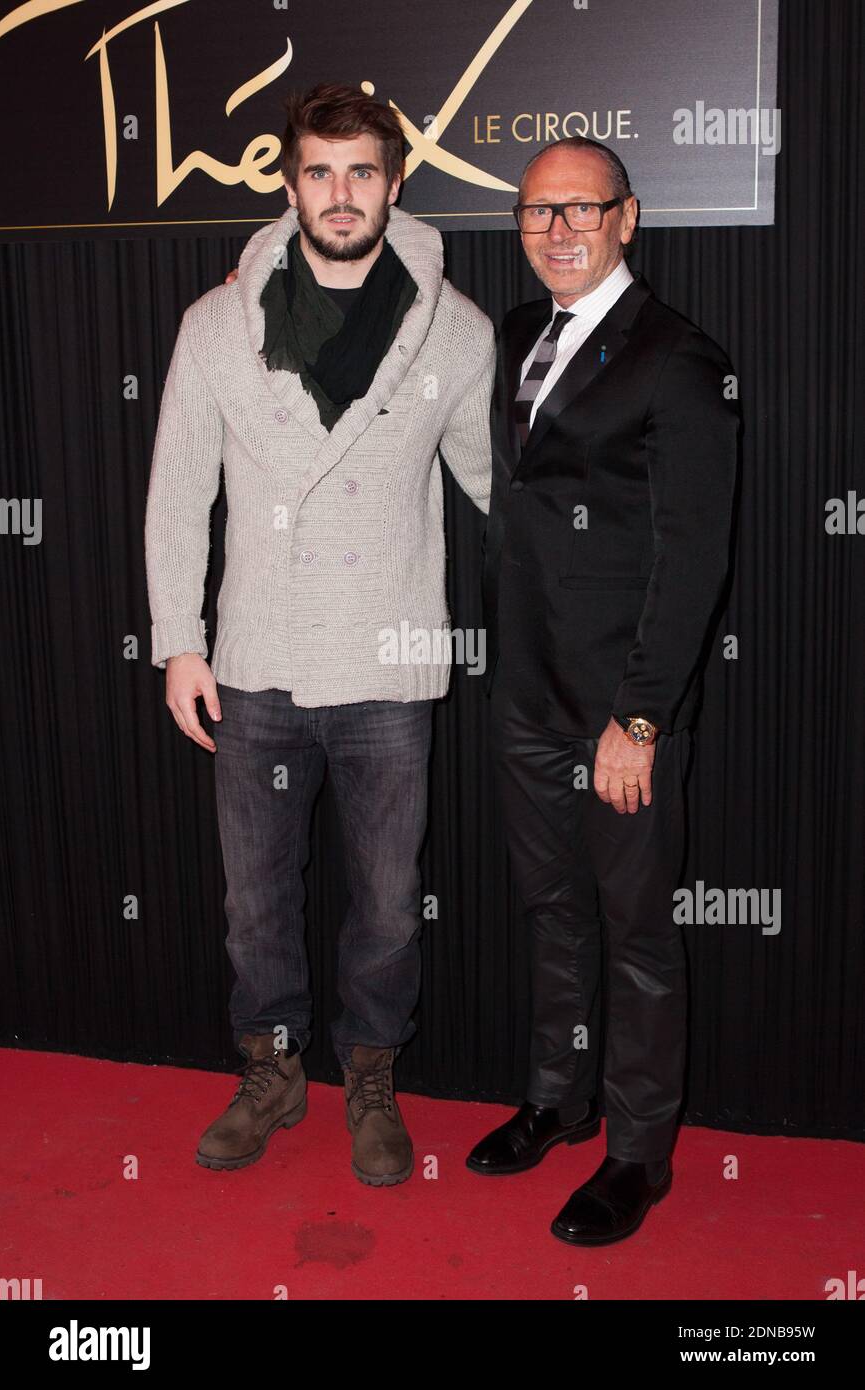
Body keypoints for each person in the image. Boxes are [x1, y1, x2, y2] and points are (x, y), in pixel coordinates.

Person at [144, 83, 494, 1187]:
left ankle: (372, 1078)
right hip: (253, 662)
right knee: (257, 900)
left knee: (388, 903)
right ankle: (271, 1069)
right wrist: (176, 640)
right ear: (289, 182)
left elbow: (502, 492)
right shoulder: (215, 324)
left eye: (360, 172)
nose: (339, 195)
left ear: (393, 183)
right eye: (317, 172)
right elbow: (174, 495)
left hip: (388, 666)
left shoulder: (458, 329)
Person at [468, 136, 740, 1244]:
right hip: (523, 692)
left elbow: (692, 559)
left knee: (633, 933)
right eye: (537, 213)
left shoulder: (676, 358)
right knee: (548, 913)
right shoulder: (516, 332)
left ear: (626, 218)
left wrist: (637, 719)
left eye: (580, 209)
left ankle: (636, 1152)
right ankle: (557, 1098)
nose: (558, 230)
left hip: (618, 711)